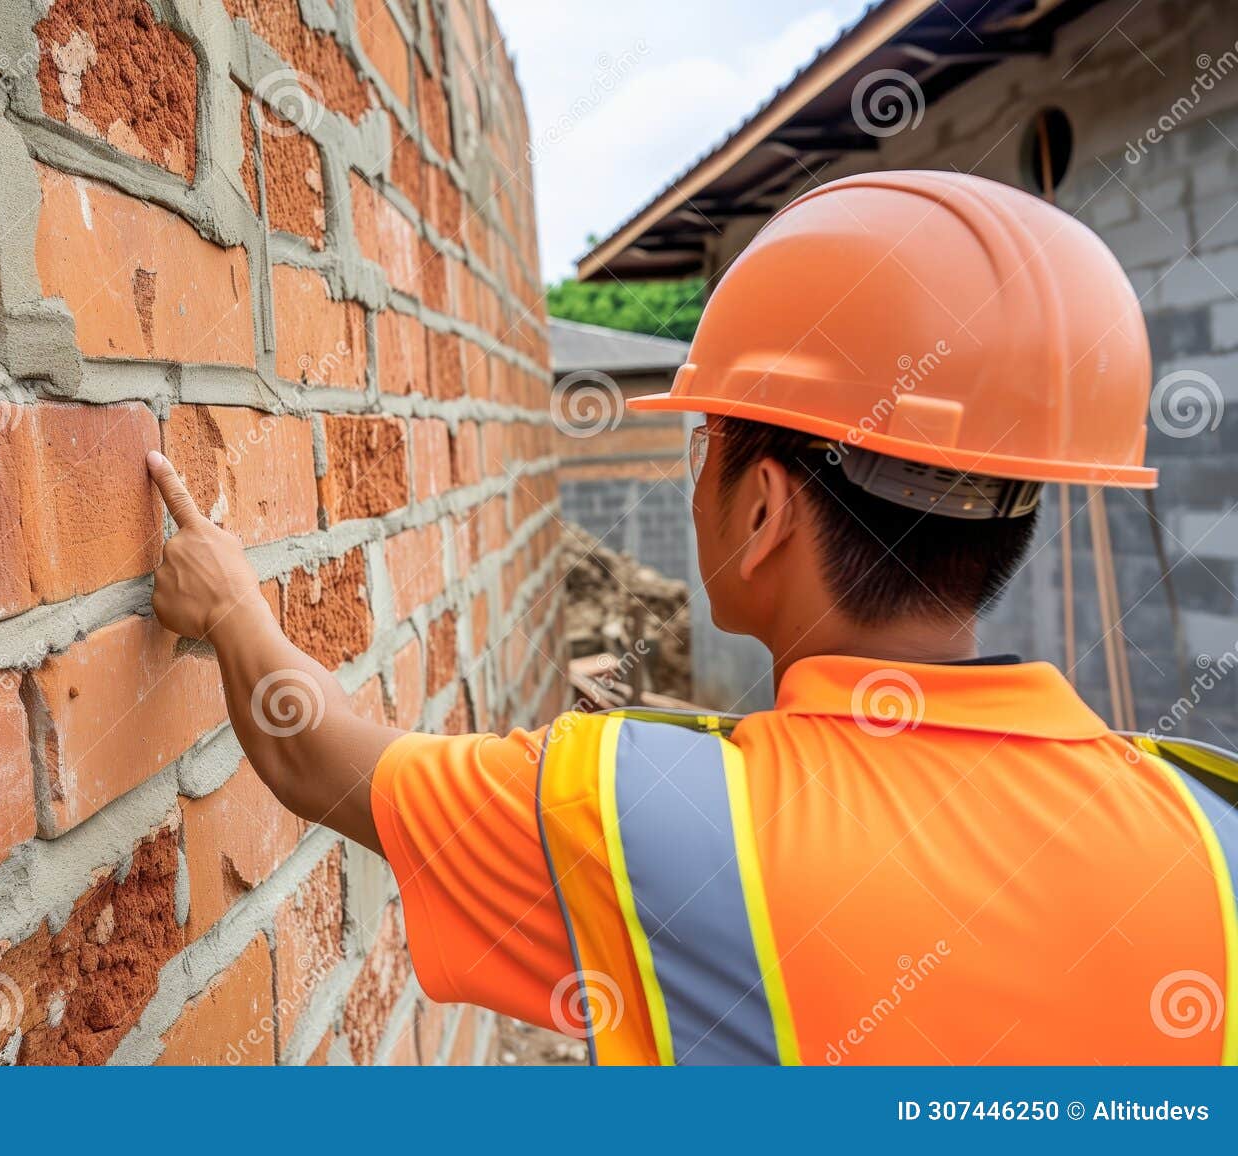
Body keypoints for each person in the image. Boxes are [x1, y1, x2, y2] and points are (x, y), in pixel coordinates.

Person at [142, 171, 1238, 1065]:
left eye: (703, 445)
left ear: (762, 509)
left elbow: (315, 756)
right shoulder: (1209, 824)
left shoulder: (650, 820)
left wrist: (229, 601)